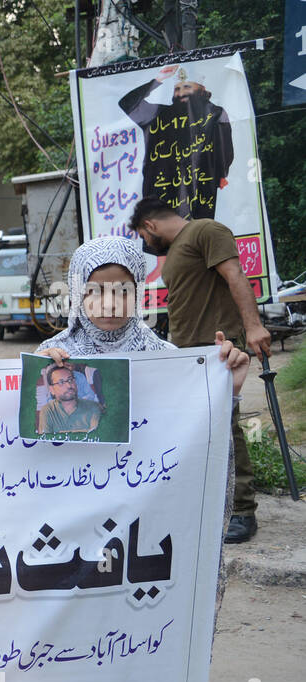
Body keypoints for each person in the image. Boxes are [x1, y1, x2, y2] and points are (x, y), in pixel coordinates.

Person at [34, 234, 249, 682]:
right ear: (79, 295)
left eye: (121, 289)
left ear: (139, 293)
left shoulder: (170, 362)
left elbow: (197, 433)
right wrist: (38, 381)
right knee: (76, 664)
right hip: (72, 545)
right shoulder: (51, 360)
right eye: (95, 290)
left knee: (132, 657)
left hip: (140, 545)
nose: (108, 303)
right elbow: (18, 452)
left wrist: (226, 383)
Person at [129, 196, 269, 542]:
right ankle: (213, 503)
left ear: (149, 225)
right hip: (190, 355)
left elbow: (235, 275)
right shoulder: (179, 249)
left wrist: (253, 327)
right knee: (200, 430)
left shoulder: (206, 230)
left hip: (218, 348)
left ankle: (242, 511)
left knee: (226, 428)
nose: (148, 244)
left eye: (144, 237)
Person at [118, 65, 234, 221]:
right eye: (177, 89)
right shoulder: (157, 115)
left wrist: (220, 176)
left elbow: (225, 152)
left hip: (201, 191)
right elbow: (127, 103)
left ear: (201, 89)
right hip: (163, 190)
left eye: (187, 87)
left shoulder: (215, 114)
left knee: (199, 232)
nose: (181, 93)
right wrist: (157, 80)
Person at [35, 363, 102, 435]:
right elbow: (45, 439)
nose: (69, 385)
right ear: (52, 390)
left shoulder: (93, 408)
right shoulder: (48, 410)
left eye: (70, 380)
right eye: (61, 382)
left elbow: (96, 437)